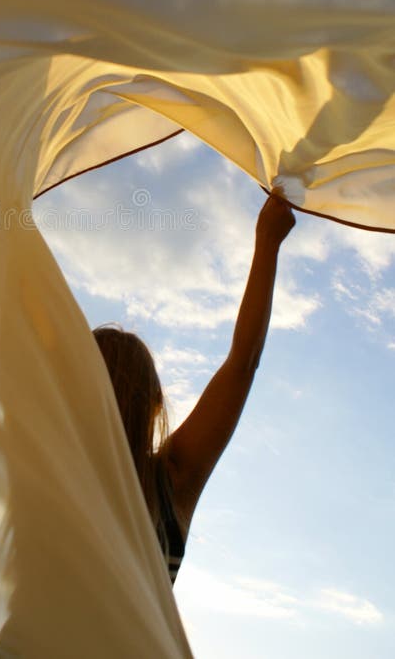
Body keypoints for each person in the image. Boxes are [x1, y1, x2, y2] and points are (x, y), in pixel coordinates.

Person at [93, 192, 296, 584]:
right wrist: (267, 243)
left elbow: (243, 363)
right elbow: (243, 363)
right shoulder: (173, 481)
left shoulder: (44, 464)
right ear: (155, 405)